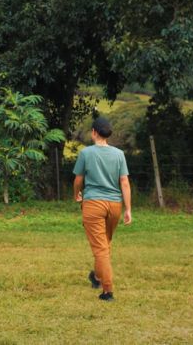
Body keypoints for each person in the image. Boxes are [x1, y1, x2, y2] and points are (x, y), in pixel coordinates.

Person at [72, 117, 132, 302]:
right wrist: (128, 209)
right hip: (115, 205)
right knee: (105, 244)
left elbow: (78, 179)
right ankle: (97, 277)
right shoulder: (119, 154)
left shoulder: (86, 153)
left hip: (93, 204)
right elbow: (124, 182)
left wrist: (77, 194)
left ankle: (108, 291)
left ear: (94, 132)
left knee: (100, 249)